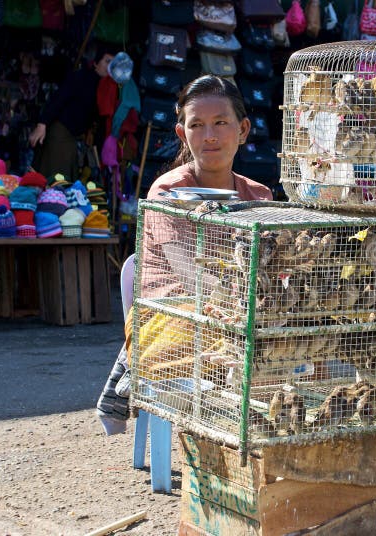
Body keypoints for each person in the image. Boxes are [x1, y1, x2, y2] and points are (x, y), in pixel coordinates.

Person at [97, 75, 272, 435]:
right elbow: (188, 271)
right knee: (235, 339)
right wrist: (247, 305)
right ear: (182, 133)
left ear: (242, 130)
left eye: (221, 123)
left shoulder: (259, 195)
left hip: (240, 311)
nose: (210, 135)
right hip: (177, 310)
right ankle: (143, 371)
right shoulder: (169, 191)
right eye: (197, 125)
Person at [28, 45, 116, 181]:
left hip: (71, 136)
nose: (110, 66)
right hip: (60, 131)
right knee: (56, 180)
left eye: (113, 63)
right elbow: (59, 98)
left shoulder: (106, 86)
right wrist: (42, 124)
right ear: (96, 62)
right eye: (107, 61)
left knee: (62, 180)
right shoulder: (81, 77)